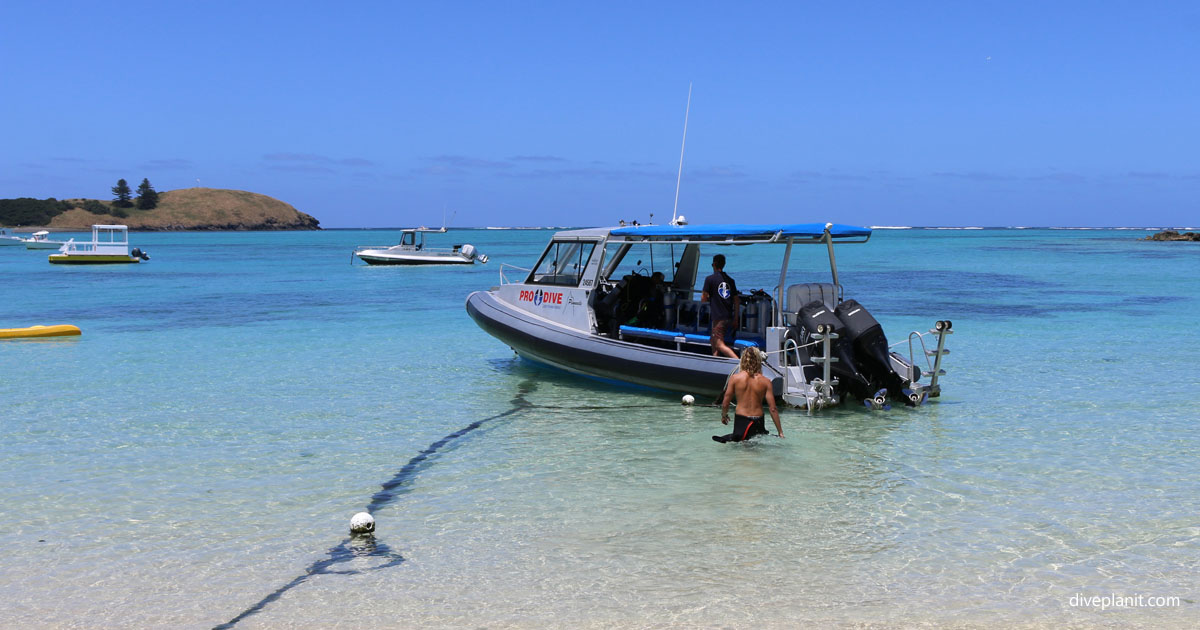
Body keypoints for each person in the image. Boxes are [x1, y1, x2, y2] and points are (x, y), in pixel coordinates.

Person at [714, 348, 783, 443]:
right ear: (759, 360)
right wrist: (780, 432)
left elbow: (725, 403)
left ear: (743, 360)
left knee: (742, 447)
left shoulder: (735, 378)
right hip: (758, 422)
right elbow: (773, 409)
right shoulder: (766, 382)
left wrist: (724, 416)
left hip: (742, 421)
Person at [701, 253, 739, 358]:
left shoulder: (709, 279)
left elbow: (703, 299)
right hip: (728, 316)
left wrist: (710, 297)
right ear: (724, 264)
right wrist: (736, 318)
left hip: (718, 318)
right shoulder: (731, 281)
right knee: (713, 340)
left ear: (714, 264)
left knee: (719, 343)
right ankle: (715, 359)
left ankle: (740, 364)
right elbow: (736, 300)